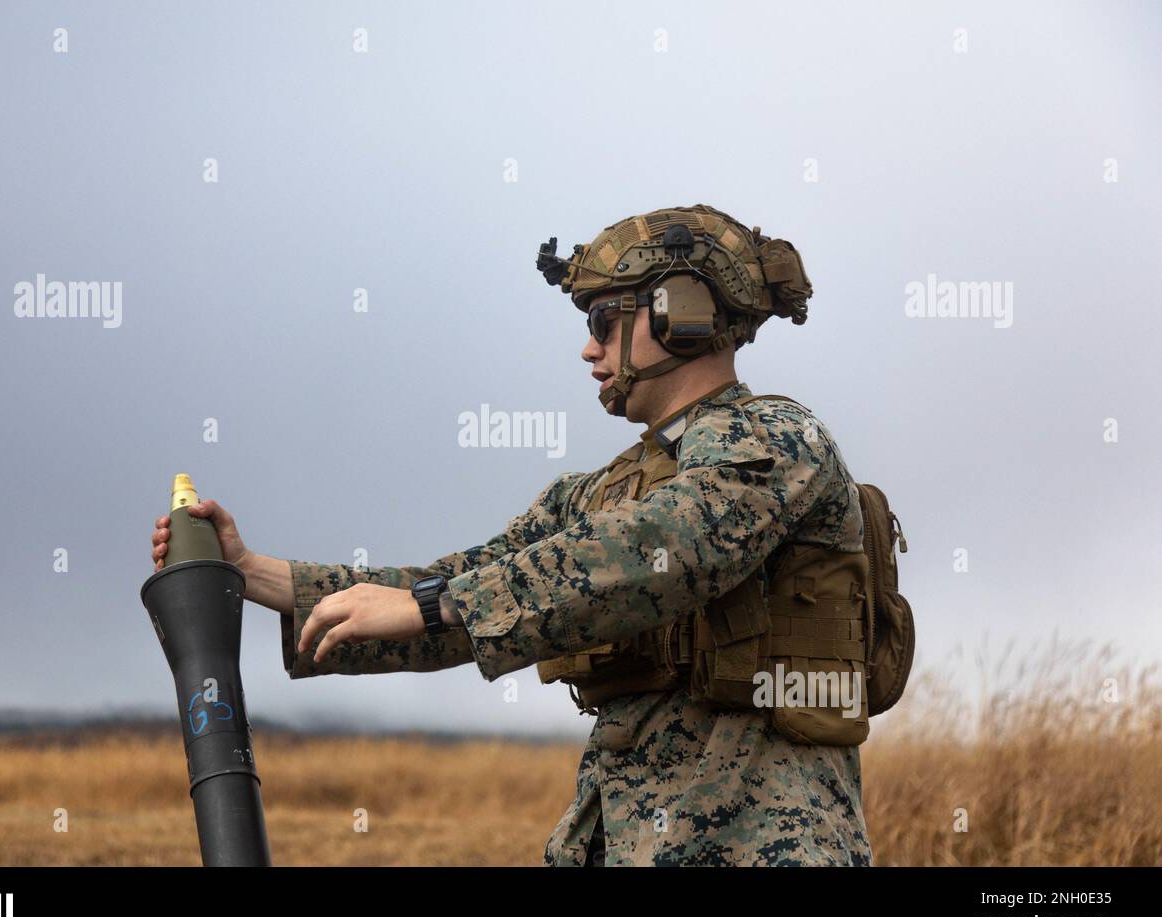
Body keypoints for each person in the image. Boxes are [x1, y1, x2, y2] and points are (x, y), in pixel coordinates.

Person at [150, 204, 873, 866]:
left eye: (601, 322)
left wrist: (440, 604)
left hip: (761, 844)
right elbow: (464, 584)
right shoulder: (597, 496)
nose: (588, 352)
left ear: (678, 314)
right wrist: (255, 574)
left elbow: (670, 546)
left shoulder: (779, 441)